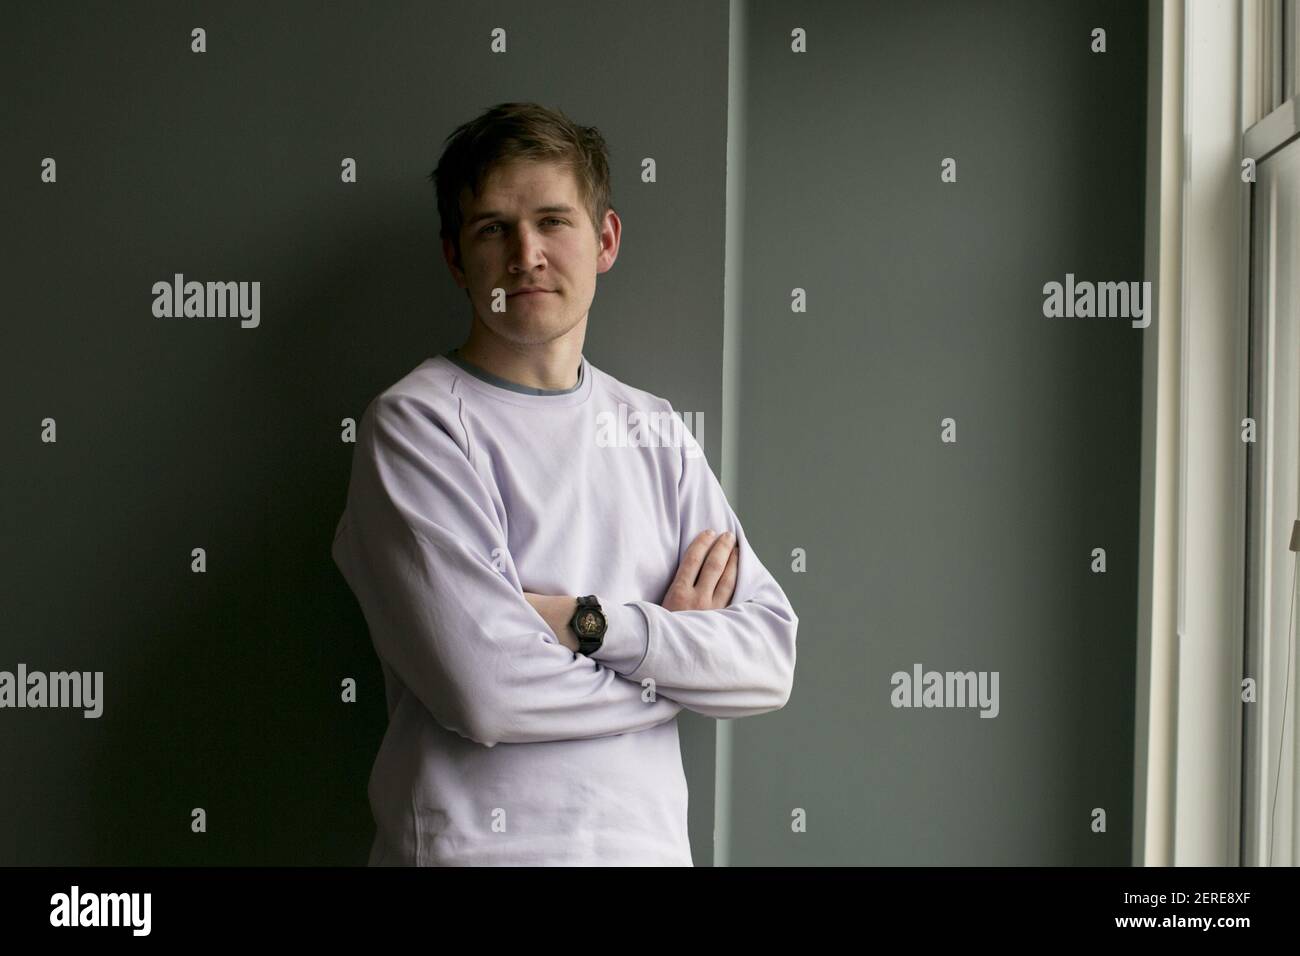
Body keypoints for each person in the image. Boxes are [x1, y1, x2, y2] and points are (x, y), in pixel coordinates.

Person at [331, 102, 798, 866]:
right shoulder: (415, 426)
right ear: (456, 258)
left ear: (604, 239)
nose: (527, 254)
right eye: (493, 229)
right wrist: (673, 661)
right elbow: (485, 690)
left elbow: (767, 660)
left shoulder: (654, 430)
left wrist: (583, 623)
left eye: (554, 221)